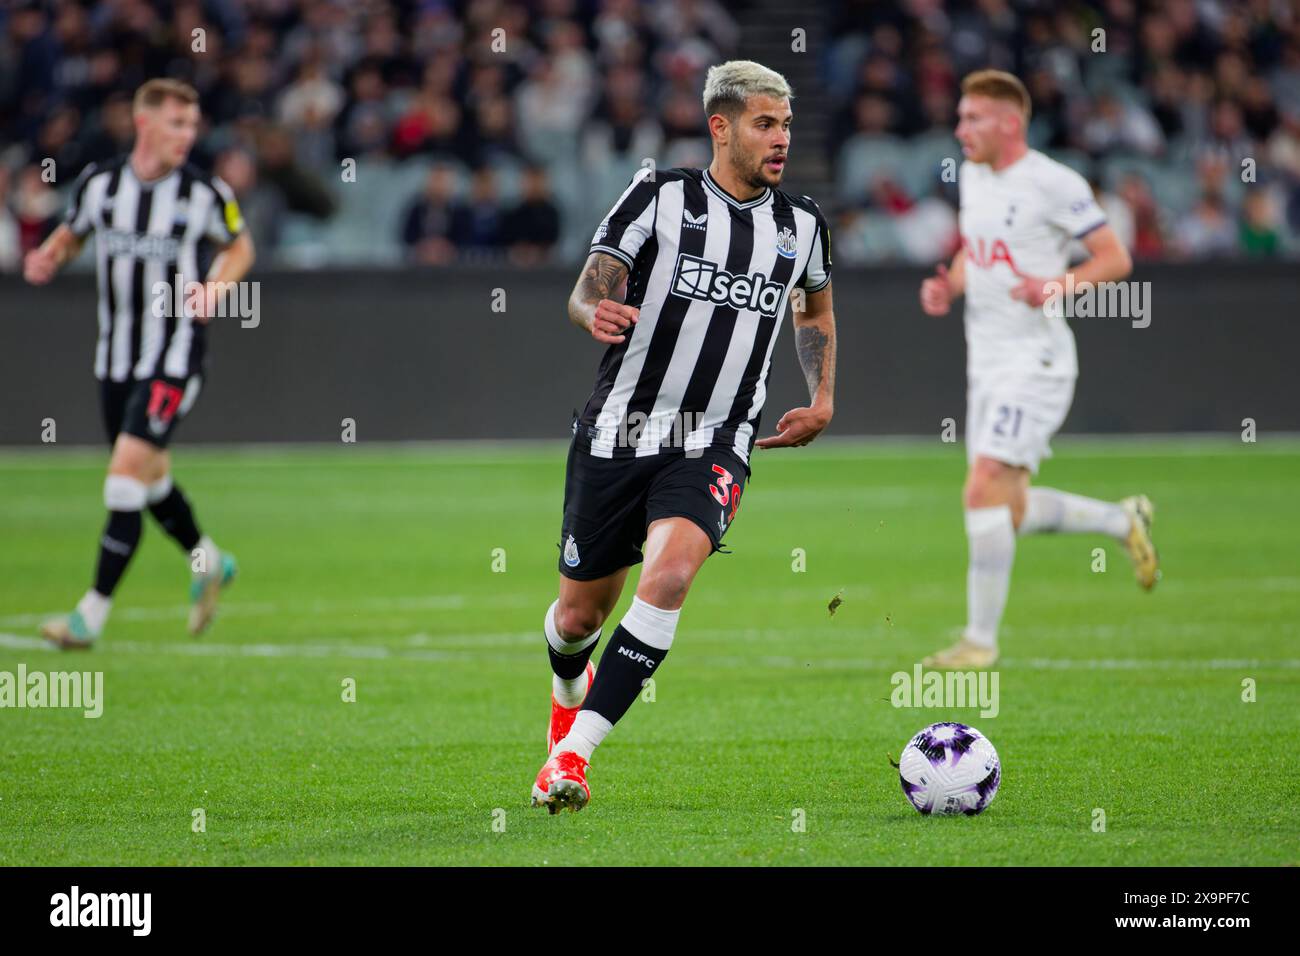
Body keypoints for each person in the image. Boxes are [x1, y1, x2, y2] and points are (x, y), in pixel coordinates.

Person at [532, 60, 836, 812]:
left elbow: (815, 311)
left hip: (717, 438)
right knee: (578, 622)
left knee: (668, 578)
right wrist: (589, 313)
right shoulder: (660, 197)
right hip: (619, 429)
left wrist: (822, 397)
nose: (781, 139)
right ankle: (564, 699)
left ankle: (571, 757)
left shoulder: (800, 226)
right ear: (721, 126)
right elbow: (589, 286)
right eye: (766, 123)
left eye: (787, 125)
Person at [918, 70, 1157, 670]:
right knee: (1008, 508)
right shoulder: (973, 176)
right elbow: (976, 250)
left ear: (1010, 123)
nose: (960, 129)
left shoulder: (1053, 182)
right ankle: (1118, 518)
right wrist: (951, 285)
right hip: (987, 365)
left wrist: (1057, 283)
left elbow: (1115, 258)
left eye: (973, 118)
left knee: (982, 486)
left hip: (1037, 362)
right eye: (961, 116)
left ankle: (979, 641)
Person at [23, 79, 255, 649]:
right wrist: (51, 254)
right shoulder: (101, 185)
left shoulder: (204, 192)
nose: (188, 135)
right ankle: (207, 558)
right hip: (116, 359)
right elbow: (75, 232)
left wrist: (215, 289)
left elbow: (239, 246)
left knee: (125, 476)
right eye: (178, 123)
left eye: (193, 124)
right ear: (144, 122)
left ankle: (90, 616)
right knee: (150, 482)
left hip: (174, 356)